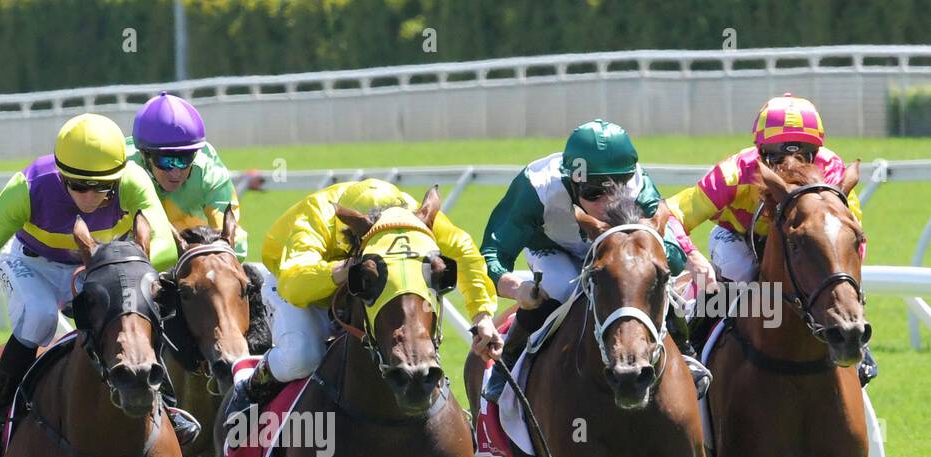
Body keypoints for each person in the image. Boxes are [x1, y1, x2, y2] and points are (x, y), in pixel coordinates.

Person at [0, 113, 190, 457]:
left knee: (134, 310)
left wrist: (119, 261)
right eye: (77, 185)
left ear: (118, 178)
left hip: (98, 263)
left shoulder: (133, 180)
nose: (89, 197)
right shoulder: (27, 187)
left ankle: (167, 403)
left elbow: (165, 243)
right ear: (61, 175)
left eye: (102, 187)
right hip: (31, 264)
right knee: (39, 317)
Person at [224, 177, 498, 415]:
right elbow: (294, 283)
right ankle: (251, 383)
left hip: (366, 287)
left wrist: (483, 315)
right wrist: (346, 269)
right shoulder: (317, 214)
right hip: (299, 285)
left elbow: (464, 253)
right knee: (303, 355)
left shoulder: (409, 218)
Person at [477, 119, 709, 396]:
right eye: (593, 193)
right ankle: (511, 357)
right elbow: (492, 253)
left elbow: (671, 256)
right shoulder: (537, 186)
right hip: (552, 248)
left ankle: (684, 351)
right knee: (562, 285)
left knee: (644, 276)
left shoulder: (640, 186)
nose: (606, 205)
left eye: (616, 190)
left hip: (611, 248)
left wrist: (653, 246)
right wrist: (518, 289)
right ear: (571, 182)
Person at [663, 93, 876, 384]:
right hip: (741, 239)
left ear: (818, 152)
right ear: (759, 152)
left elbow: (851, 237)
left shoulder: (832, 170)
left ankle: (857, 341)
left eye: (804, 155)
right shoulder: (733, 173)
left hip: (801, 242)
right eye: (776, 156)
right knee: (742, 272)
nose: (790, 166)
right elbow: (669, 213)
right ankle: (694, 345)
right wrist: (695, 259)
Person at [127, 92, 247, 257]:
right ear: (144, 155)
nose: (176, 172)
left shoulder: (209, 172)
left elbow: (234, 243)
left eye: (185, 159)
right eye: (166, 161)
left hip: (194, 248)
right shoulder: (125, 168)